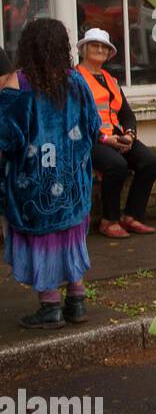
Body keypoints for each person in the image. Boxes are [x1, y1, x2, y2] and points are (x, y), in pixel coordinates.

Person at [0, 18, 102, 328]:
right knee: (70, 237)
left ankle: (50, 306)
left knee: (41, 241)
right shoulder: (77, 81)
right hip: (73, 183)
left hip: (32, 186)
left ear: (27, 47)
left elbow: (7, 137)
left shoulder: (17, 84)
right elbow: (94, 127)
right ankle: (77, 300)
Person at [76, 27, 156, 238]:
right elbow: (74, 118)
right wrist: (104, 138)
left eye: (104, 47)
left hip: (116, 137)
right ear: (84, 50)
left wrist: (129, 135)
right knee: (116, 165)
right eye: (94, 45)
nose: (99, 50)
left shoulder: (111, 79)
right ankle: (109, 220)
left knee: (150, 161)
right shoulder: (74, 79)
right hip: (88, 139)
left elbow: (127, 114)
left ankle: (132, 216)